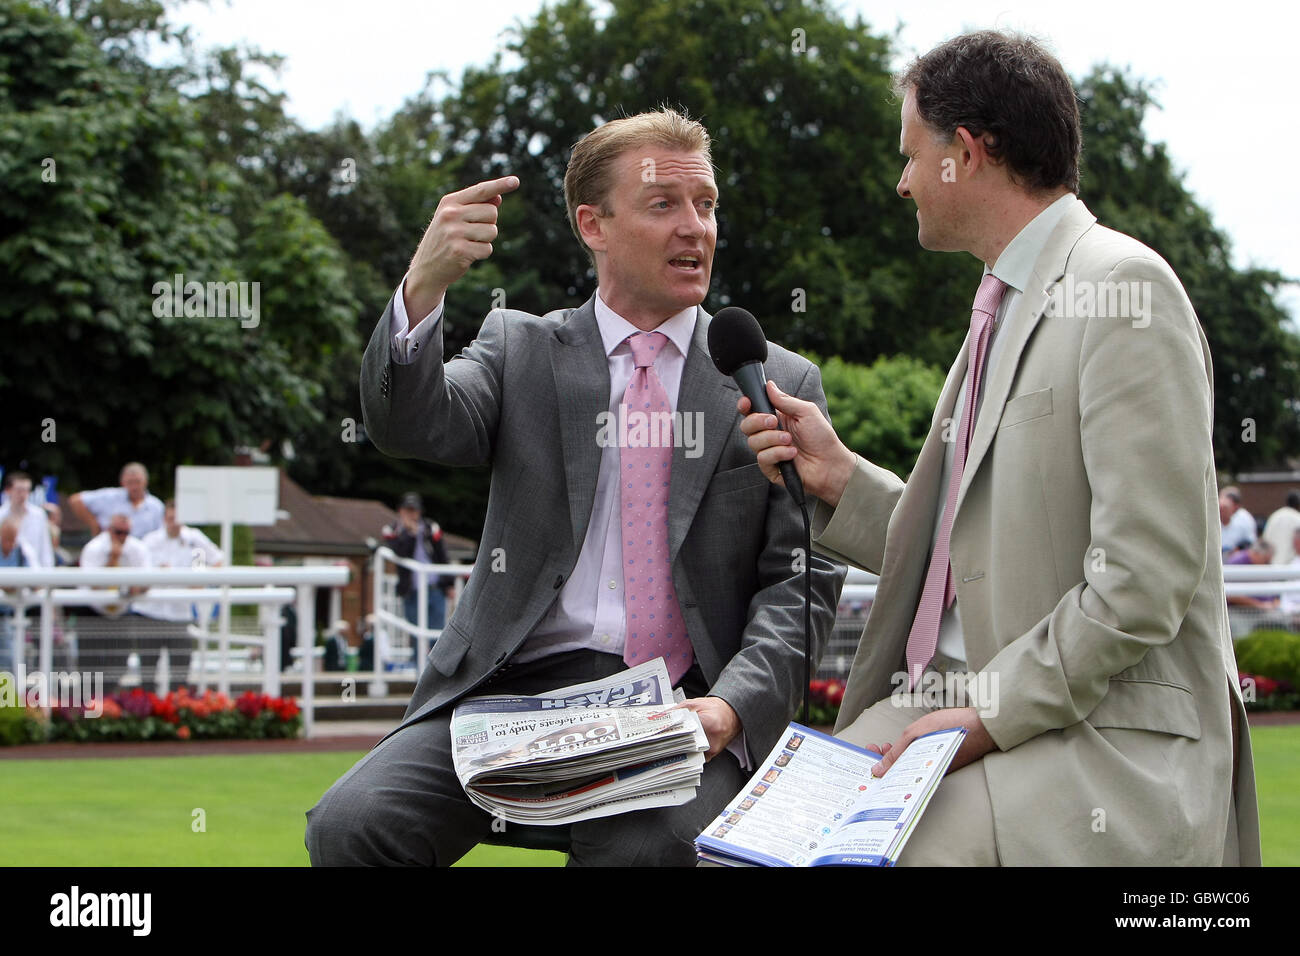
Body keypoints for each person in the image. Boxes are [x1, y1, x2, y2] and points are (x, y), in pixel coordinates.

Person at [737, 30, 1259, 865]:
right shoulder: (1001, 305)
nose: (902, 181)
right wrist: (839, 478)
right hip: (954, 707)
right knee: (745, 849)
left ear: (967, 155)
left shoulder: (1124, 290)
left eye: (911, 156)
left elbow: (1145, 578)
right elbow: (978, 555)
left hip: (1098, 742)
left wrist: (985, 716)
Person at [306, 107, 845, 866]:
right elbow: (412, 425)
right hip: (511, 691)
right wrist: (423, 287)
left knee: (650, 851)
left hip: (679, 703)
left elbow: (801, 584)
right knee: (349, 826)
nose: (696, 228)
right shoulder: (520, 347)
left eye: (706, 205)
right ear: (594, 226)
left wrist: (729, 708)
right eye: (664, 205)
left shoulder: (775, 382)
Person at [133, 500, 225, 689]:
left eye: (177, 518)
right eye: (170, 518)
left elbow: (217, 561)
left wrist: (199, 580)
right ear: (164, 518)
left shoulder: (194, 540)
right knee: (147, 671)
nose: (173, 522)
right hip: (151, 612)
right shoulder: (151, 540)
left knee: (180, 670)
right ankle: (146, 711)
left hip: (180, 614)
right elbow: (139, 569)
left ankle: (177, 711)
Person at [76, 512, 152, 683]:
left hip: (121, 612)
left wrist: (136, 588)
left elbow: (148, 581)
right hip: (93, 611)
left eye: (126, 532)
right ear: (109, 530)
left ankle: (109, 702)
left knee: (120, 661)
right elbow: (93, 584)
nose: (123, 537)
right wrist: (113, 559)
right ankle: (86, 705)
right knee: (88, 664)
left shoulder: (138, 548)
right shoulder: (94, 548)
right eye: (118, 532)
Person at [384, 492, 453, 651]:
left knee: (436, 635)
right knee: (416, 637)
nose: (412, 514)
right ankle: (419, 673)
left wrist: (448, 584)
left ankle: (434, 674)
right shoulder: (392, 529)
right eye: (408, 510)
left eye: (414, 510)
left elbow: (442, 555)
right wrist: (411, 534)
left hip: (434, 587)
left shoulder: (431, 528)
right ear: (400, 511)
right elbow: (401, 553)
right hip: (411, 590)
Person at [69, 462, 165, 539]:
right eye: (130, 482)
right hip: (109, 550)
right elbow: (76, 500)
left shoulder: (156, 506)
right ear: (122, 482)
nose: (134, 487)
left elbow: (161, 535)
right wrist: (94, 524)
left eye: (137, 482)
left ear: (146, 481)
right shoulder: (109, 497)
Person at [0, 472, 55, 568]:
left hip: (34, 572)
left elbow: (45, 547)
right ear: (8, 490)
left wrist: (47, 574)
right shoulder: (1, 514)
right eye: (19, 490)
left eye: (27, 490)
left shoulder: (38, 515)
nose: (23, 494)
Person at [1260, 491, 1300, 564]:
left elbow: (1265, 539)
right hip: (1290, 565)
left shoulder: (1274, 516)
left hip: (1271, 563)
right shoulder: (1297, 518)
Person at [1219, 485, 1256, 556]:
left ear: (1235, 507)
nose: (1221, 511)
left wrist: (1238, 550)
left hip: (1236, 557)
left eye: (1225, 508)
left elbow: (1250, 542)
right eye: (1220, 509)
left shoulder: (1245, 518)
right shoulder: (1212, 516)